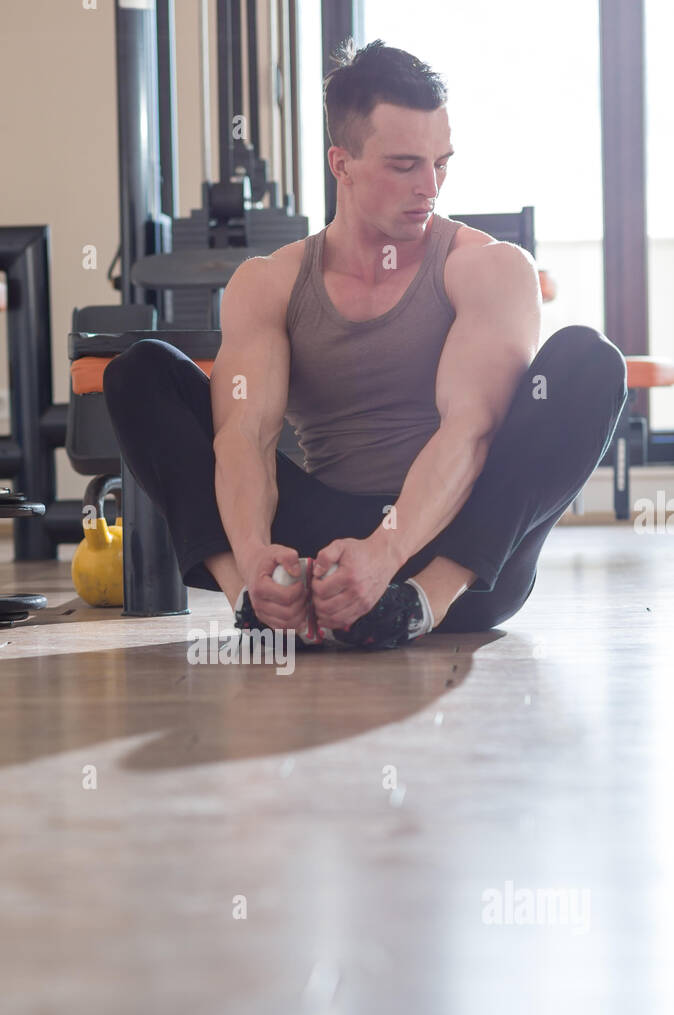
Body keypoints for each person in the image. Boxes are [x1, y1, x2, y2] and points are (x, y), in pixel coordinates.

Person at [104, 39, 627, 651]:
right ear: (341, 163)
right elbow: (244, 438)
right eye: (404, 165)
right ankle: (254, 602)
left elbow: (471, 430)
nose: (429, 186)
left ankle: (417, 606)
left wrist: (387, 557)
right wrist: (252, 561)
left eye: (442, 163)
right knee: (139, 371)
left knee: (589, 360)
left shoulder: (488, 267)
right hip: (320, 552)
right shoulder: (267, 282)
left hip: (460, 561)